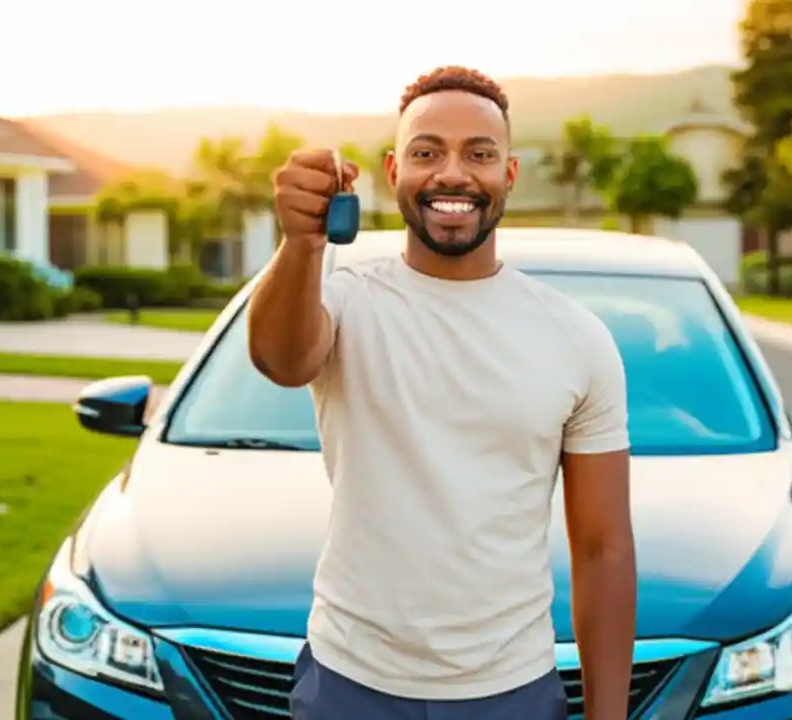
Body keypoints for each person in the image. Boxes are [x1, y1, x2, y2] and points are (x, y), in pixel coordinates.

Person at [246, 65, 636, 720]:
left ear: (508, 176)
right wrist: (301, 245)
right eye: (427, 153)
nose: (452, 174)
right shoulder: (343, 302)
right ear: (393, 171)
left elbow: (604, 548)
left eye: (479, 154)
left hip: (511, 691)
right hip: (349, 685)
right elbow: (280, 359)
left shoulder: (577, 338)